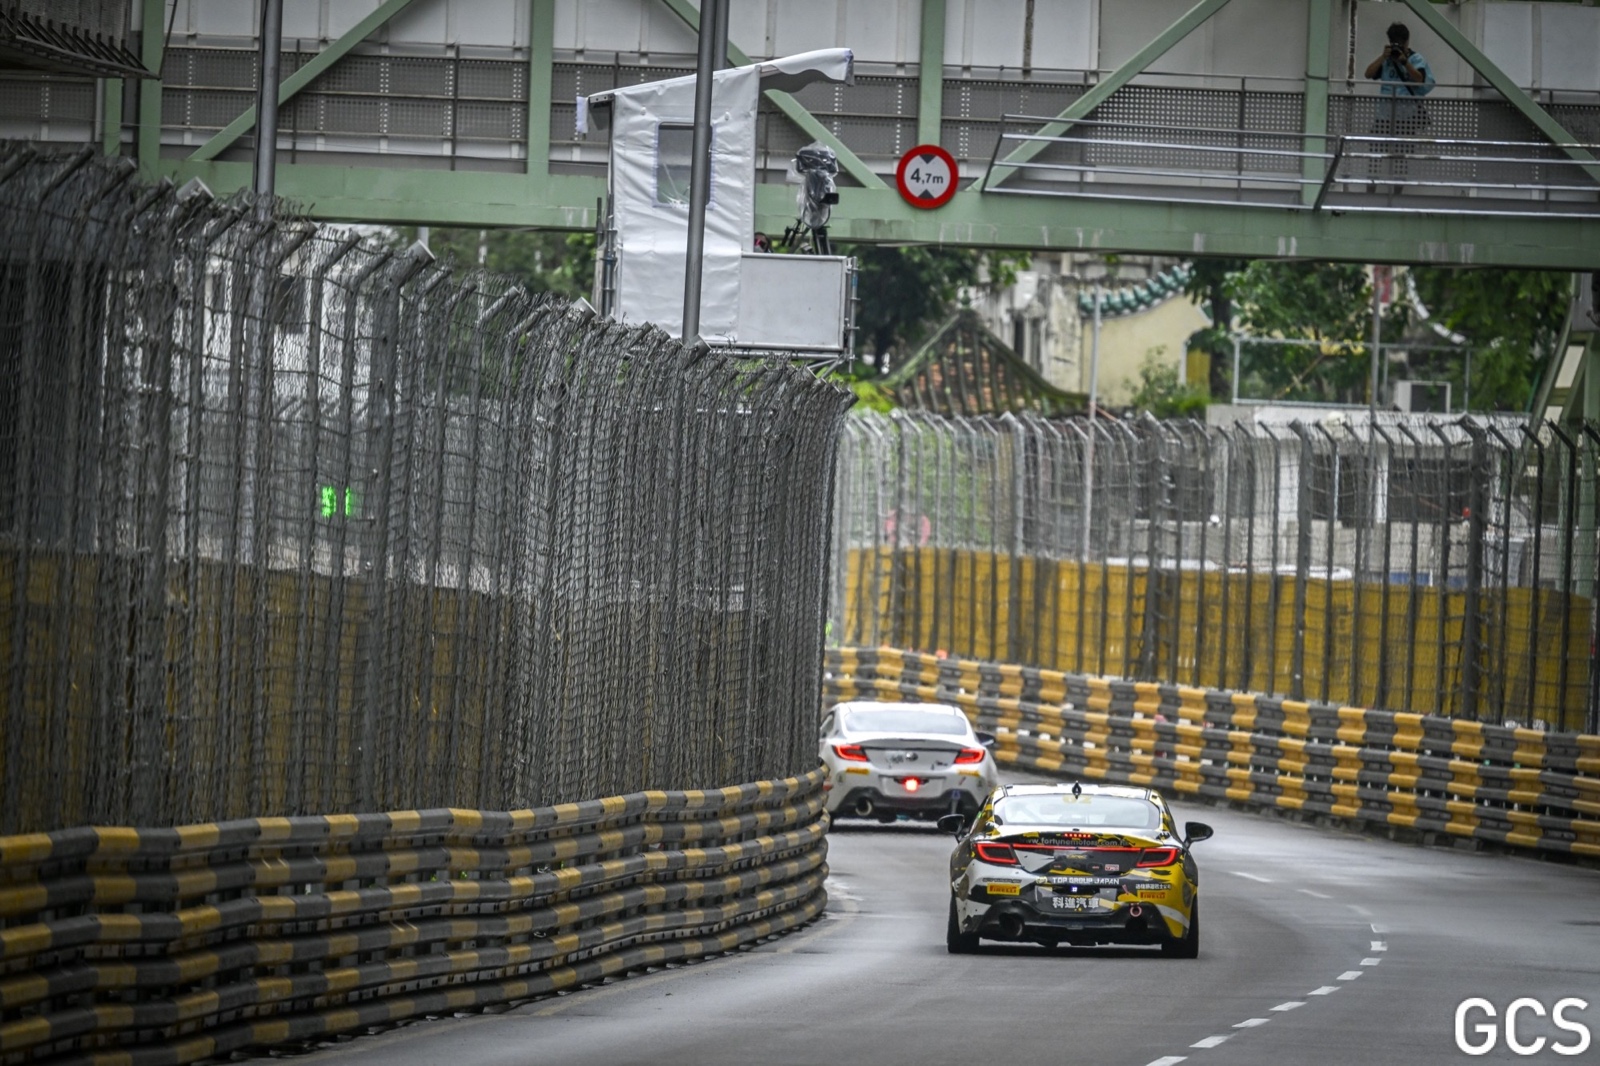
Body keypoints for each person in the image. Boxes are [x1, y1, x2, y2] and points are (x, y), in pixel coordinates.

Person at [1363, 22, 1435, 193]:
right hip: (1384, 116)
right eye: (1394, 42)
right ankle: (1371, 189)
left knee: (1402, 157)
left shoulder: (1416, 59)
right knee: (1375, 154)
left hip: (1407, 117)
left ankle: (1397, 192)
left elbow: (1419, 80)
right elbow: (1368, 74)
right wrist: (1383, 57)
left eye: (1400, 42)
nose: (1398, 46)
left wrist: (1405, 62)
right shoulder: (1387, 59)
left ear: (1407, 41)